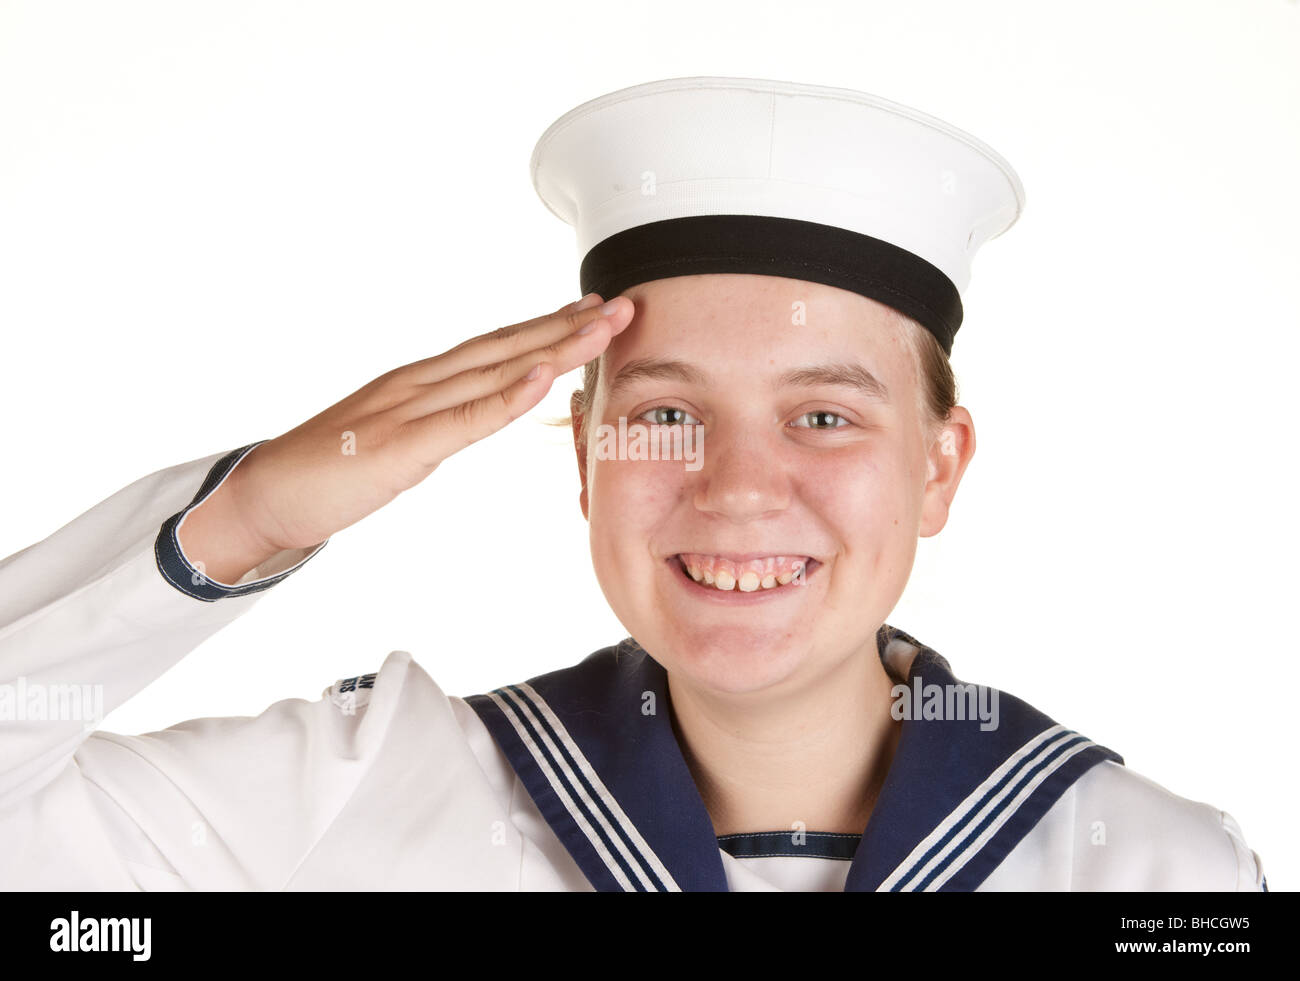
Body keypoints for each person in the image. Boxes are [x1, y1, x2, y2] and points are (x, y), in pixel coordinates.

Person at [0, 76, 1265, 891]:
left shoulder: (1155, 877)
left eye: (823, 414)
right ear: (583, 460)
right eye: (664, 415)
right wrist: (251, 519)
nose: (737, 488)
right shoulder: (359, 792)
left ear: (938, 467)